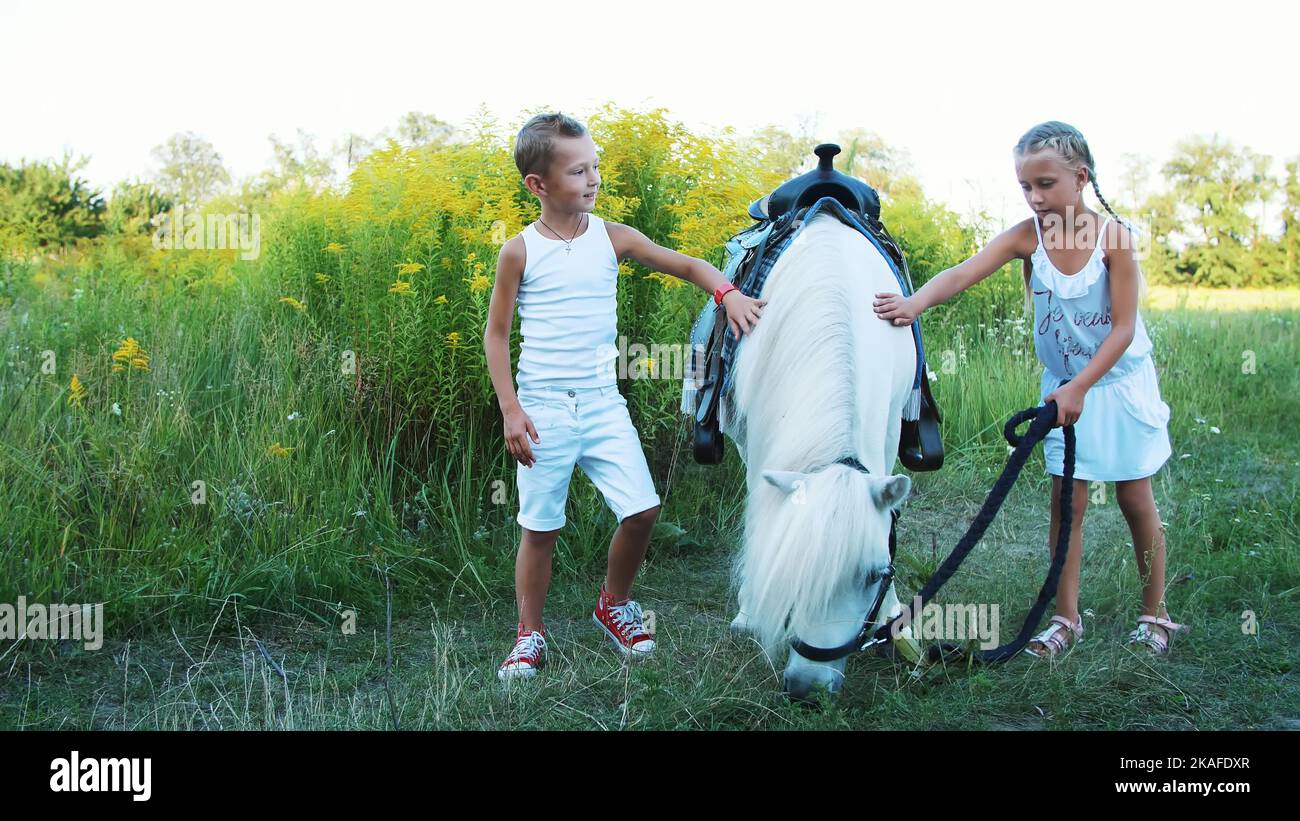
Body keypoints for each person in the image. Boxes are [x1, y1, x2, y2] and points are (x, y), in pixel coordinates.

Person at [873, 121, 1185, 658]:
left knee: (1136, 499)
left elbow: (1124, 329)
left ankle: (1155, 613)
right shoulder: (1026, 236)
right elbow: (962, 274)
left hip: (1117, 386)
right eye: (1026, 187)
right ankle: (1066, 619)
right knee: (1068, 504)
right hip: (1063, 393)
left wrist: (1081, 387)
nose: (1035, 197)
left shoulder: (1115, 239)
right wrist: (913, 304)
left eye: (1045, 184)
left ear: (1080, 177)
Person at [483, 112, 767, 680]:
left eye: (595, 167)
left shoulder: (613, 238)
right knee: (540, 527)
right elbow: (495, 334)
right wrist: (511, 409)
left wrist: (727, 293)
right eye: (577, 170)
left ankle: (613, 604)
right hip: (541, 408)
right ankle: (529, 635)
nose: (592, 180)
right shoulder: (518, 252)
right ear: (537, 185)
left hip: (602, 401)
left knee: (642, 510)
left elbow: (686, 264)